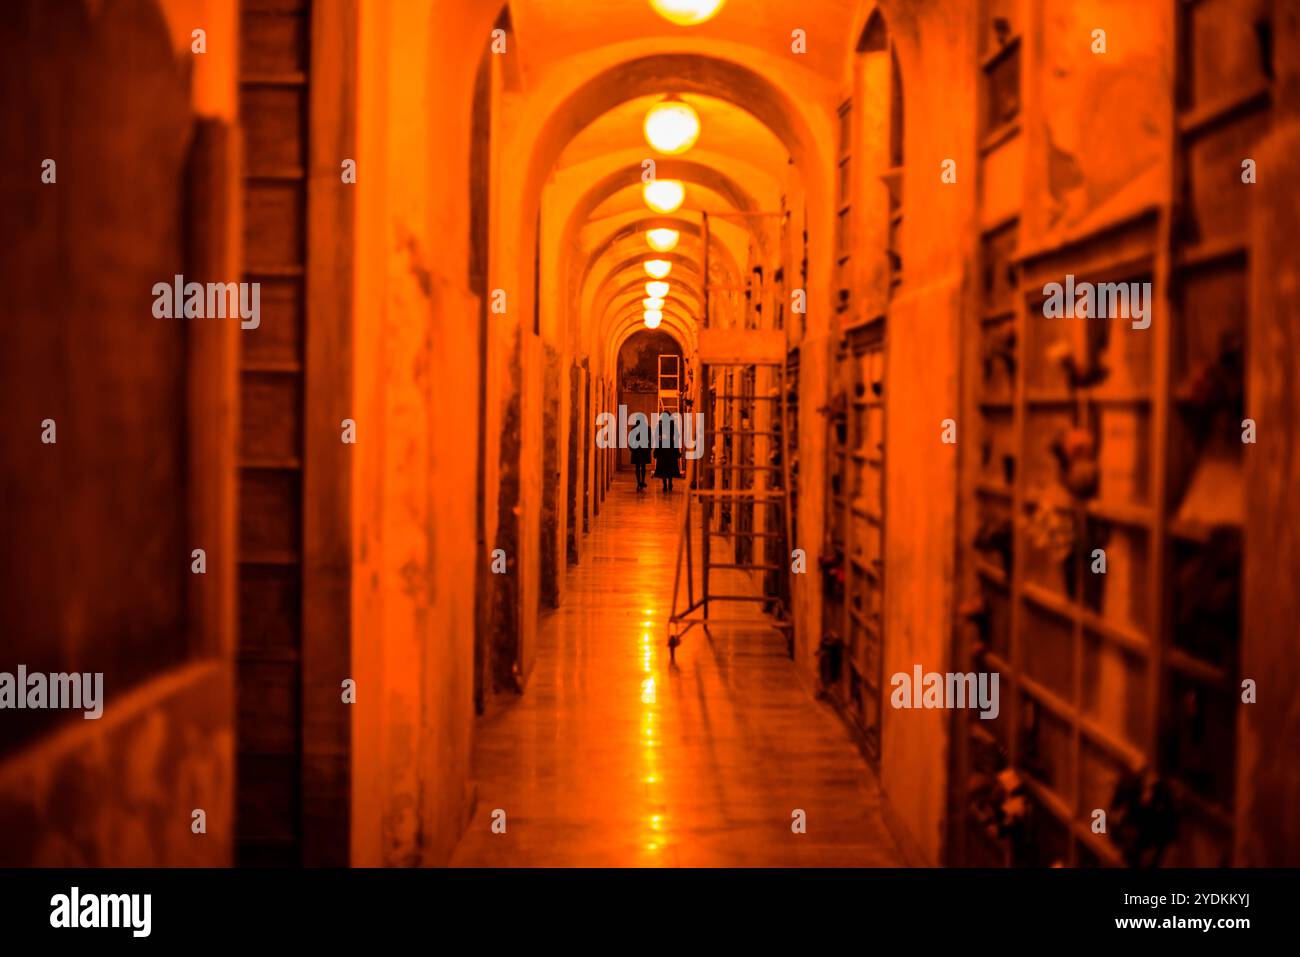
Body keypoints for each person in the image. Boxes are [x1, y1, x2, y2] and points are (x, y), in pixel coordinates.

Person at [653, 415, 683, 493]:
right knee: (670, 467)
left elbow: (656, 437)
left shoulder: (660, 425)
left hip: (662, 449)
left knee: (663, 467)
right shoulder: (672, 425)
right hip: (671, 449)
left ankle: (665, 485)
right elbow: (677, 436)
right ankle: (669, 482)